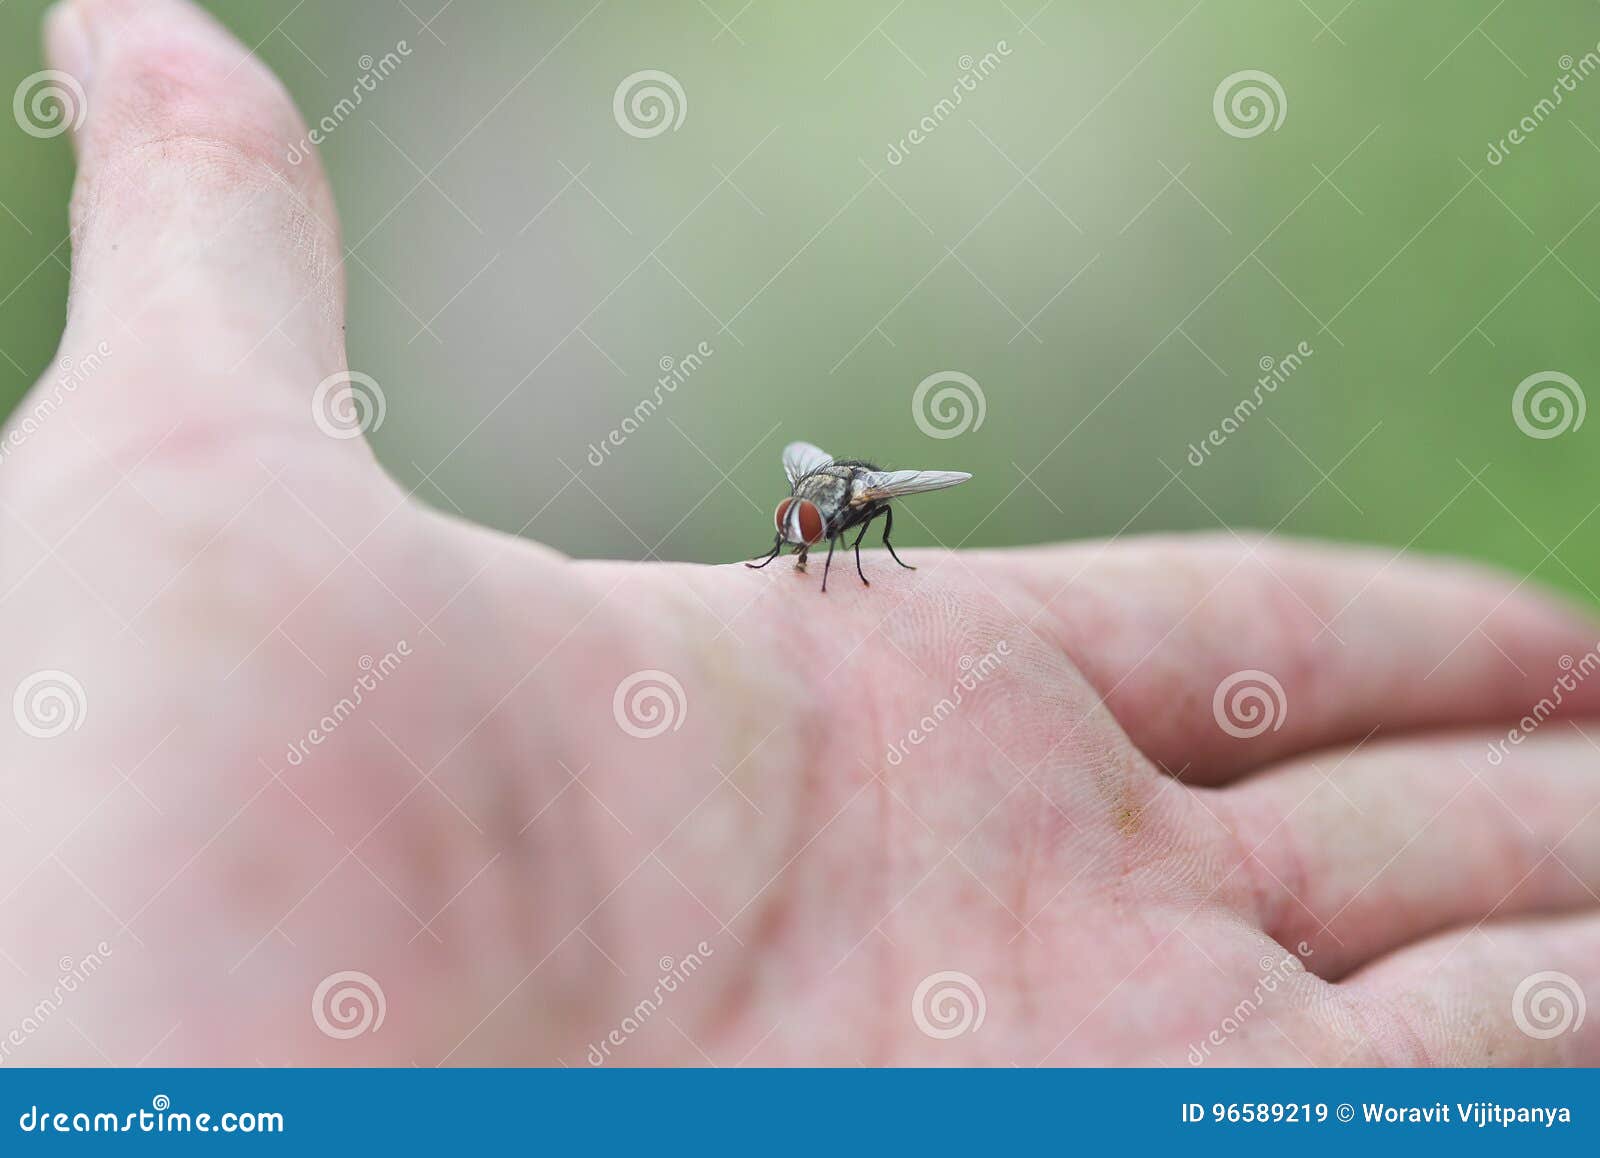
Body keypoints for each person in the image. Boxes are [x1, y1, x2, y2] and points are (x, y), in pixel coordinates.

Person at [3, 0, 1597, 1066]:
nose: (802, 541)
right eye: (802, 532)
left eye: (807, 532)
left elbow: (843, 524)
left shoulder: (844, 519)